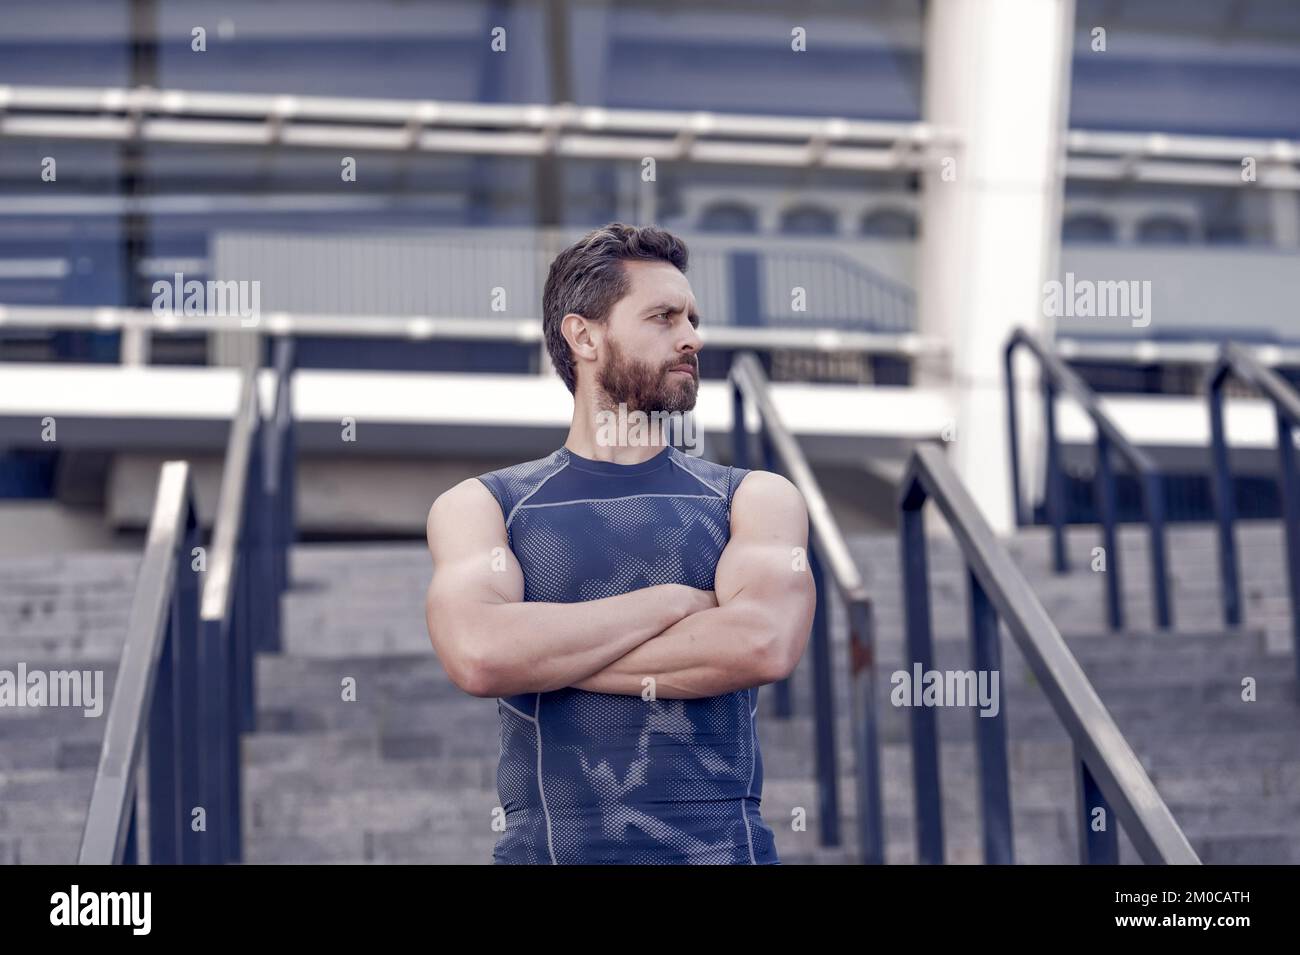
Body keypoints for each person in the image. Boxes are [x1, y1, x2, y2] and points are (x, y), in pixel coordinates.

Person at [425, 222, 814, 864]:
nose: (692, 337)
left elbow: (762, 643)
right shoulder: (482, 506)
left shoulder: (755, 498)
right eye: (663, 317)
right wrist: (672, 604)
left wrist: (546, 658)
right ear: (584, 336)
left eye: (692, 317)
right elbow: (480, 656)